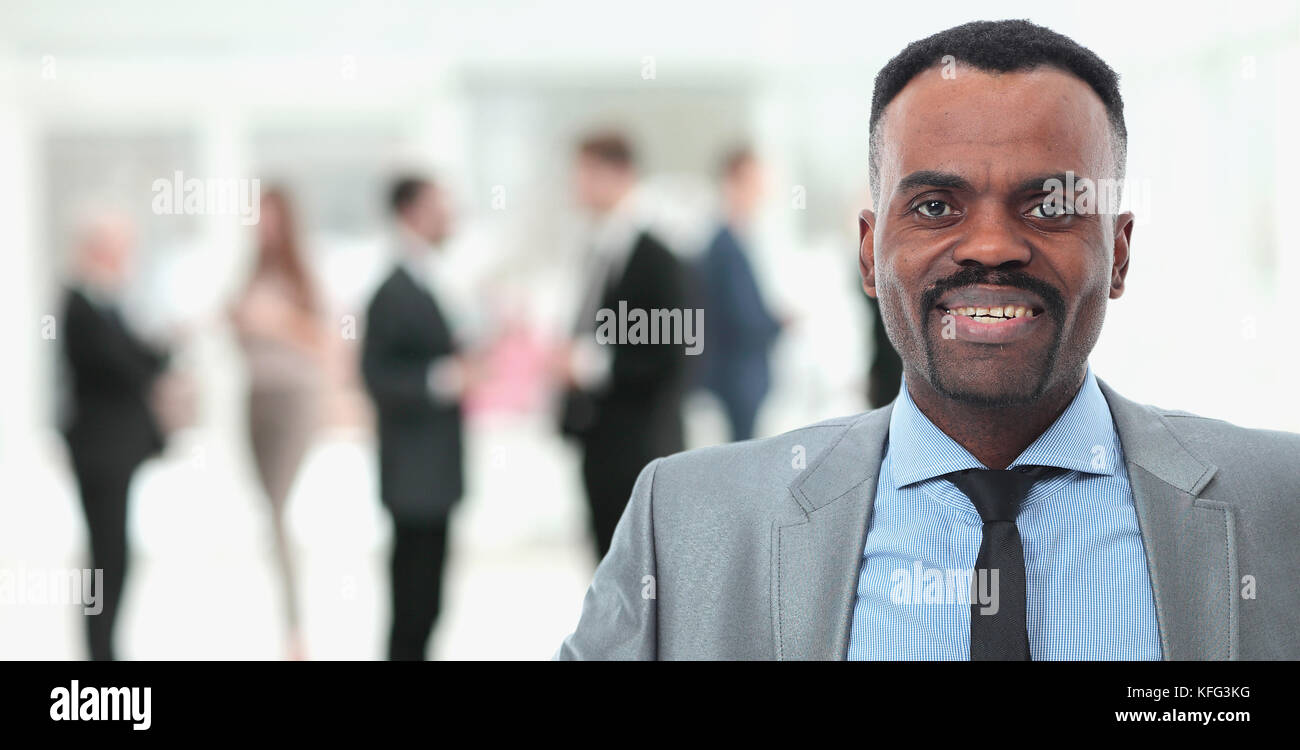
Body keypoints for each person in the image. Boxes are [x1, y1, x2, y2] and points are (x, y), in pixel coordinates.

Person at [557, 20, 1300, 660]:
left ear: (1121, 254)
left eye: (1049, 205)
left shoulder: (1281, 506)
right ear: (868, 254)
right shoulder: (687, 524)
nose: (990, 246)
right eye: (937, 205)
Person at [556, 132, 689, 562]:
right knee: (605, 577)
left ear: (619, 175)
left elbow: (675, 355)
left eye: (586, 173)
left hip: (643, 448)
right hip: (598, 443)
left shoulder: (659, 258)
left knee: (644, 579)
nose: (577, 185)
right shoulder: (593, 251)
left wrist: (589, 365)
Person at [361, 176, 475, 660]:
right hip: (413, 473)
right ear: (408, 212)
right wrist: (444, 377)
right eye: (437, 207)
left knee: (428, 599)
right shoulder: (392, 291)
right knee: (412, 598)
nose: (449, 217)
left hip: (435, 469)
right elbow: (378, 376)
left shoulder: (431, 281)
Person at [58, 210, 170, 661]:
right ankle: (98, 652)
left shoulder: (112, 305)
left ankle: (105, 648)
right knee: (105, 556)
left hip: (118, 451)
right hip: (98, 452)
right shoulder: (81, 305)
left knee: (115, 553)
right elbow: (124, 367)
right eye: (121, 248)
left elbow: (145, 358)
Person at [229, 188, 327, 660]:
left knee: (279, 510)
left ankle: (296, 630)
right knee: (268, 511)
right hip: (255, 399)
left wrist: (279, 320)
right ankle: (286, 621)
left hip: (294, 400)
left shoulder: (302, 275)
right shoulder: (247, 275)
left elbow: (328, 342)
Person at [696, 146, 783, 441]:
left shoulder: (742, 241)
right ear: (731, 183)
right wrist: (777, 323)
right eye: (753, 182)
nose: (760, 191)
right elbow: (741, 317)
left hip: (744, 378)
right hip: (736, 379)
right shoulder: (724, 246)